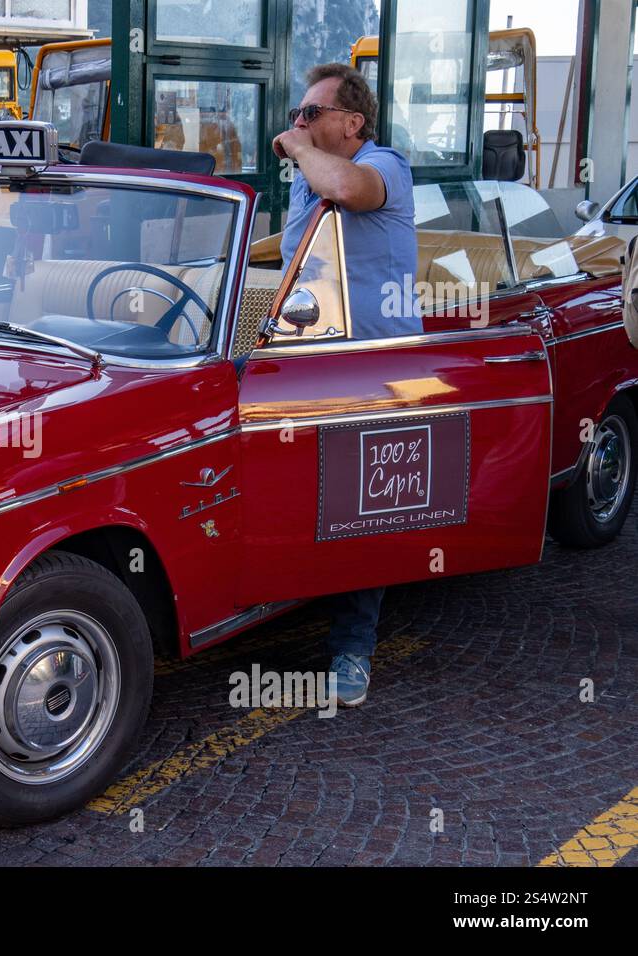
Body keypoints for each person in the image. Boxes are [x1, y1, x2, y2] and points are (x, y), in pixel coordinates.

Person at [272, 62, 418, 708]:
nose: (297, 123)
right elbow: (297, 245)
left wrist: (300, 147)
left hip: (373, 365)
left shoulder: (385, 165)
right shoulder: (310, 178)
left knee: (364, 503)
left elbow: (349, 190)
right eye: (298, 114)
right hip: (310, 354)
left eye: (311, 113)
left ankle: (352, 648)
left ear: (352, 123)